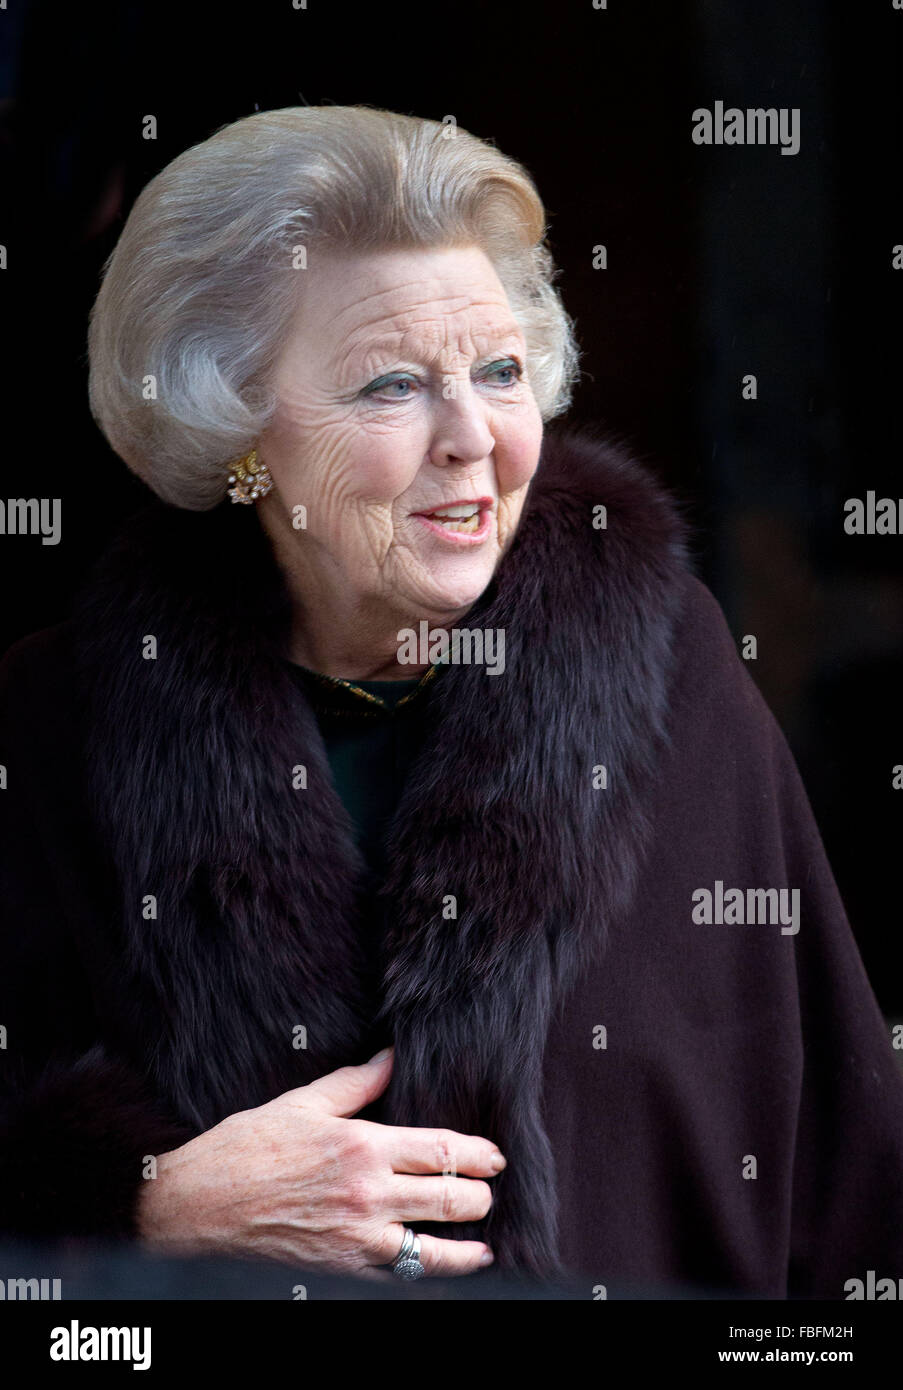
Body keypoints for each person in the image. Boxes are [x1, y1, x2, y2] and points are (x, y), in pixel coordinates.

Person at [1, 105, 901, 1295]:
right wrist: (149, 1203)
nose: (472, 436)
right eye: (389, 386)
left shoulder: (676, 678)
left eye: (501, 371)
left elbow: (852, 1205)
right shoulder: (55, 721)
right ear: (237, 435)